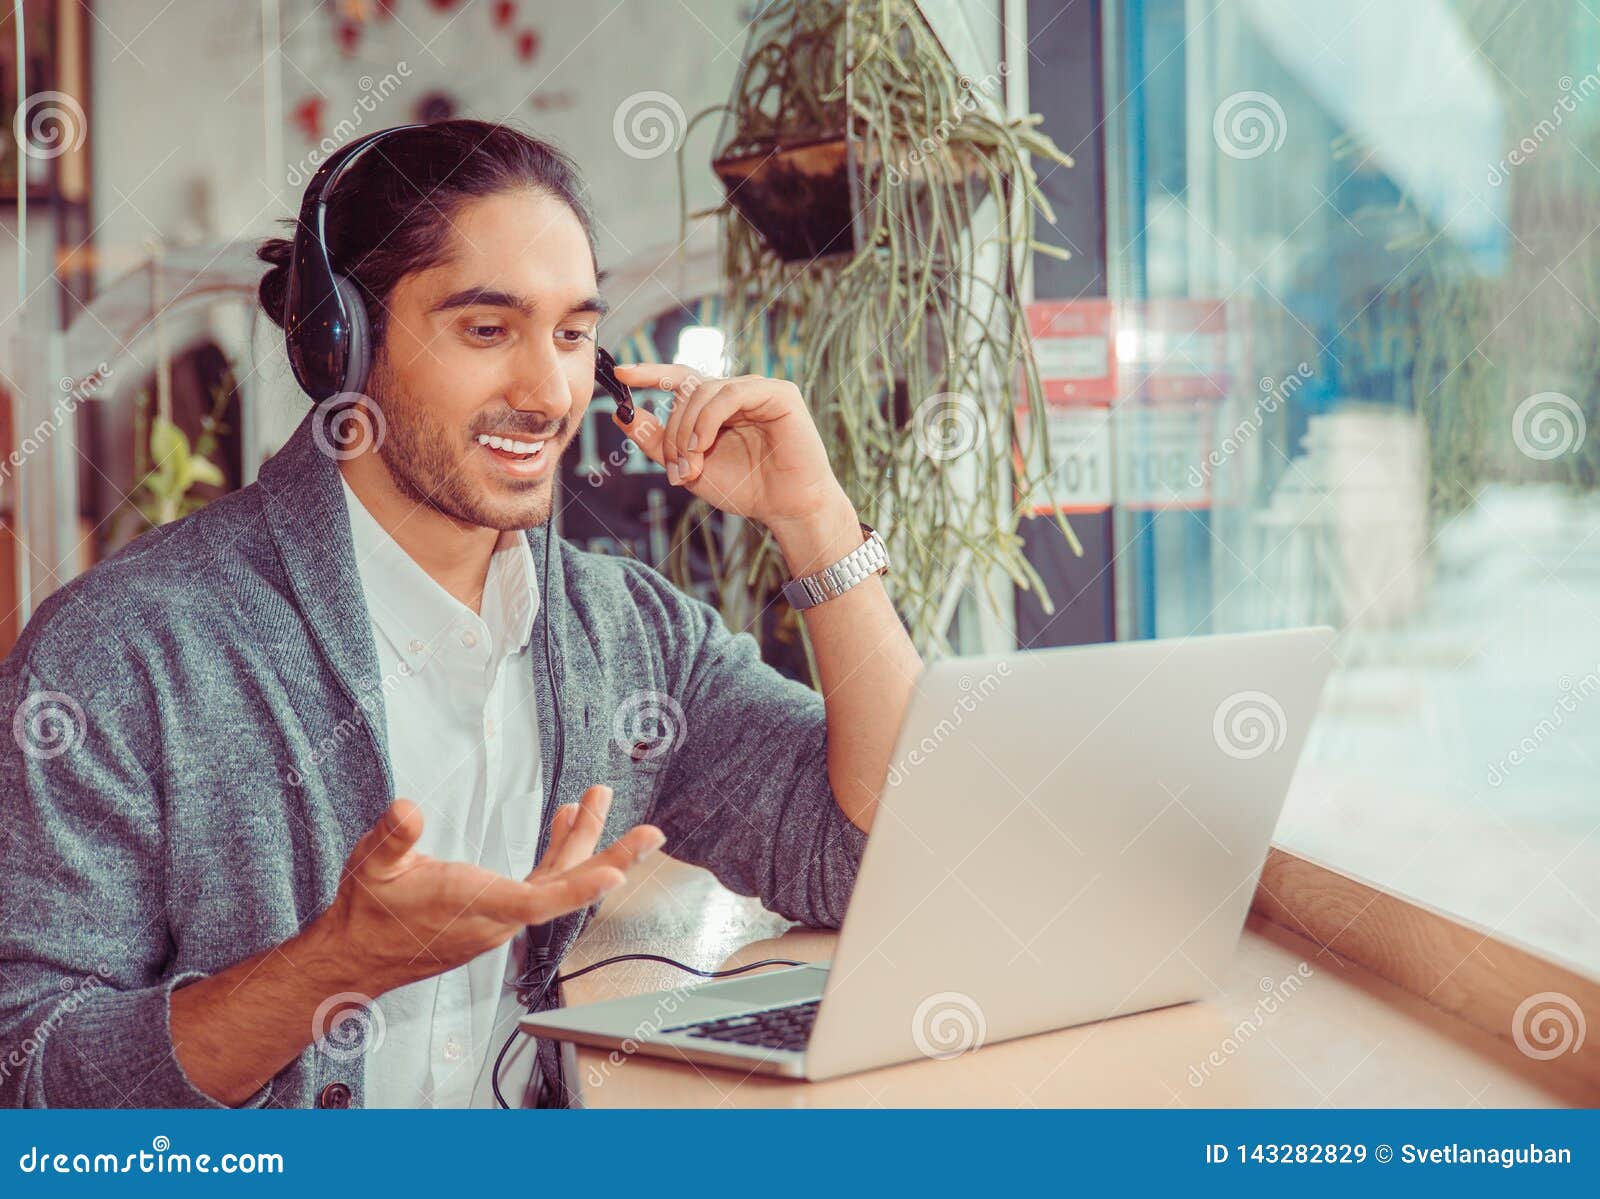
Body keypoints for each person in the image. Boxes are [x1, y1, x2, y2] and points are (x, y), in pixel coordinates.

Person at [0, 120, 922, 1109]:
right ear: (341, 343)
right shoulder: (123, 651)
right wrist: (328, 966)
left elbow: (880, 853)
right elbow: (30, 1078)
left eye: (573, 334)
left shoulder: (628, 638)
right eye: (487, 330)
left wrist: (815, 519)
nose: (546, 391)